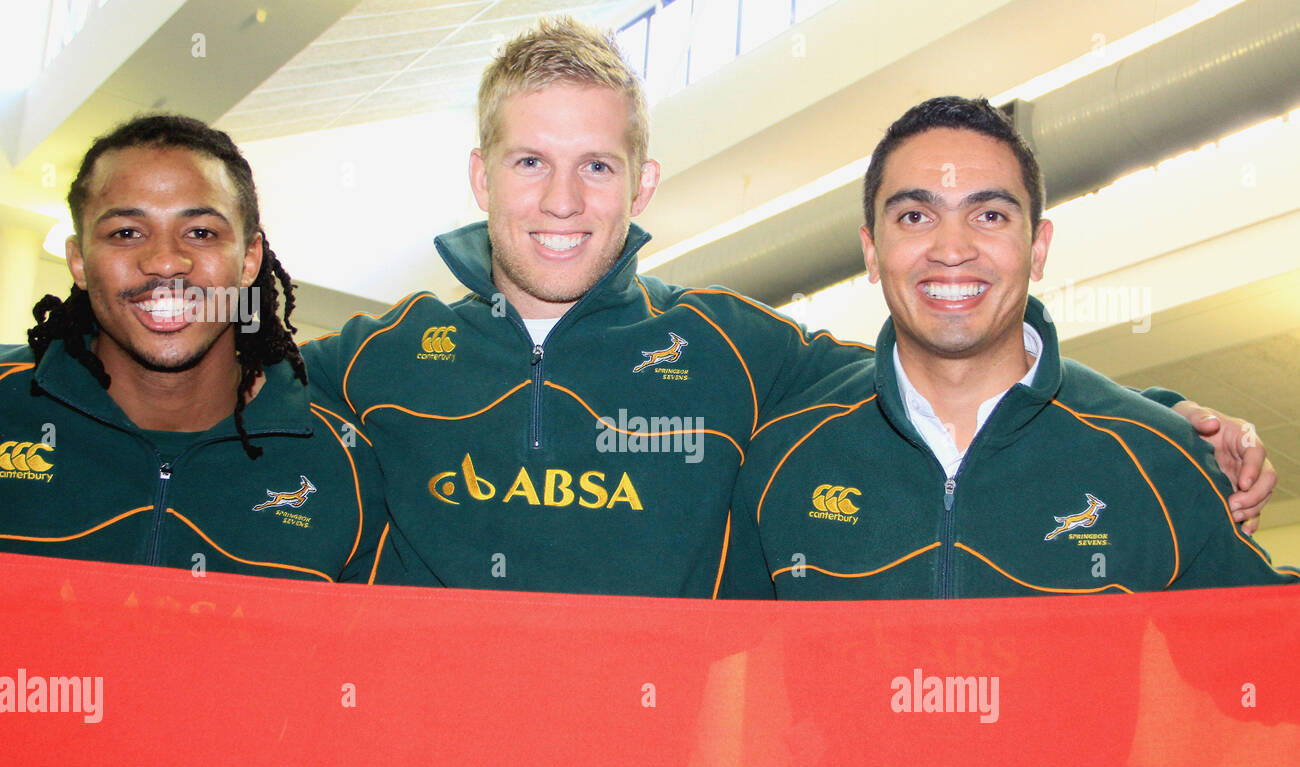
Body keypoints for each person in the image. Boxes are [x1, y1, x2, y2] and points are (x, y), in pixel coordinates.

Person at [302, 18, 1275, 597]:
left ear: (640, 184)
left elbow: (942, 367)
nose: (562, 201)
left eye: (595, 165)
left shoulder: (735, 350)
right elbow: (210, 406)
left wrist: (1163, 421)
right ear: (480, 175)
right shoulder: (374, 358)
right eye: (530, 163)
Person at [719, 96, 1298, 599]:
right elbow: (710, 668)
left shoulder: (1156, 457)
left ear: (1038, 248)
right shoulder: (783, 457)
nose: (952, 248)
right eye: (916, 215)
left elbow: (1262, 660)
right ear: (872, 251)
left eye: (989, 214)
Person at [0, 115, 385, 583]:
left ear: (248, 260)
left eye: (201, 233)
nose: (165, 262)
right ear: (79, 261)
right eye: (126, 232)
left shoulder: (349, 464)